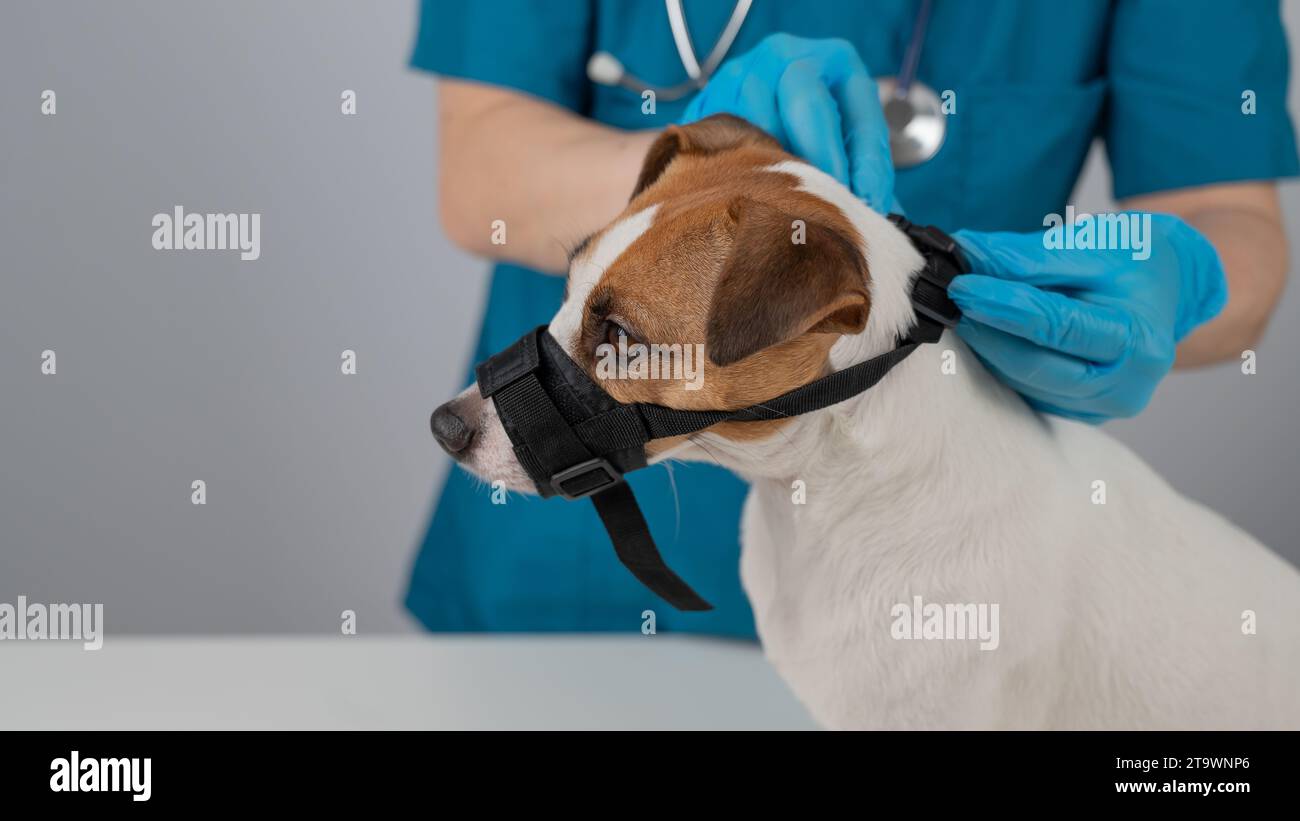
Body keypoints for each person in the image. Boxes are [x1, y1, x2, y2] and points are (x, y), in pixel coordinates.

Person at [406, 0, 1297, 636]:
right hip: (570, 590)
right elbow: (480, 159)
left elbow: (1232, 213)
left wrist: (1186, 278)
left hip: (949, 576)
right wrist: (728, 189)